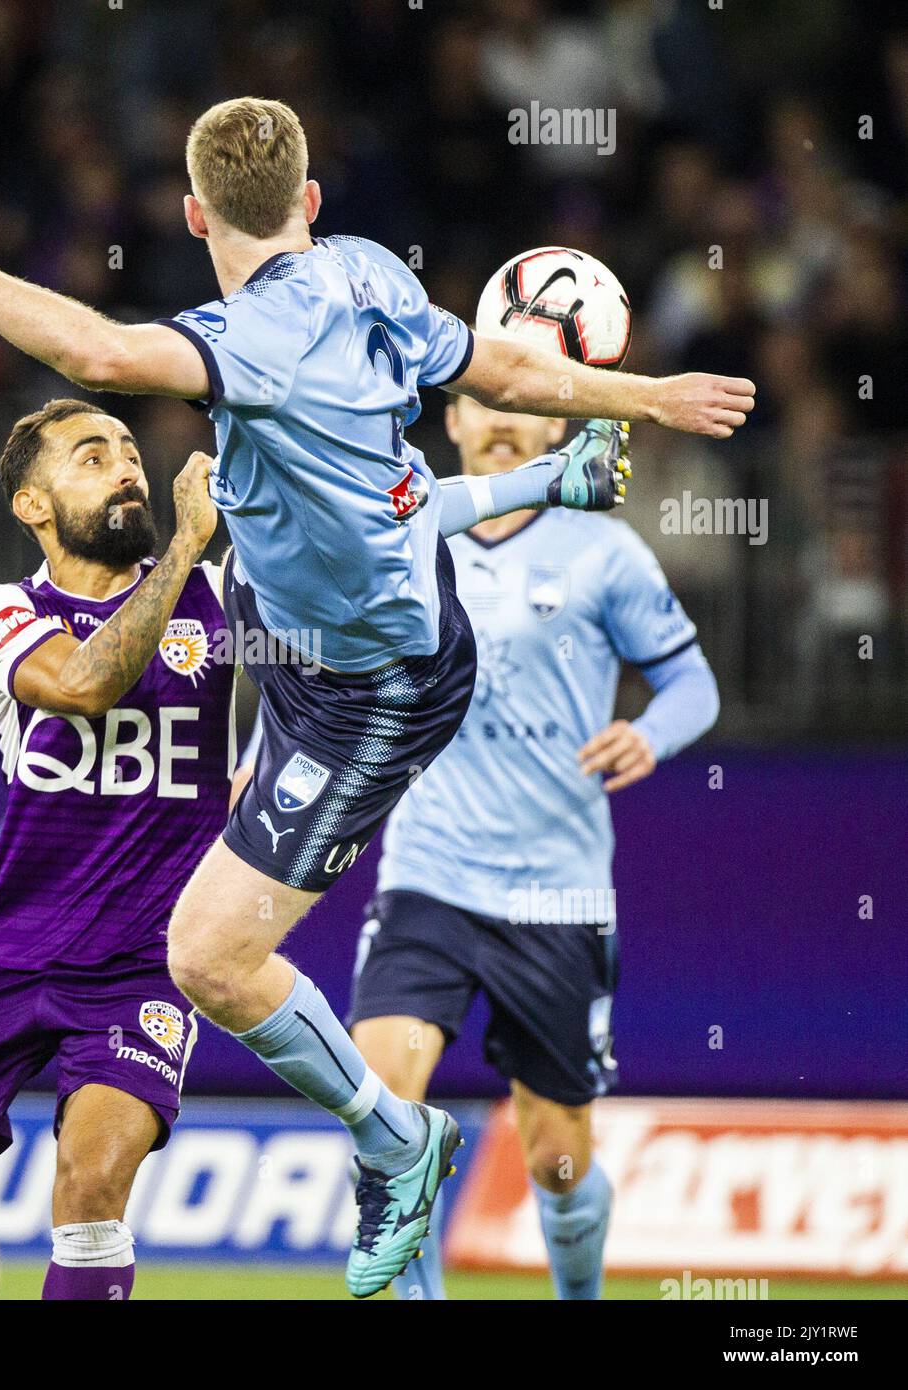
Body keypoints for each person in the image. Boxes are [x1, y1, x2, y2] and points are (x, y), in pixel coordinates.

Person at [0, 95, 754, 1296]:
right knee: (307, 513)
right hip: (304, 661)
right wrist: (636, 404)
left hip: (373, 689)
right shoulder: (367, 283)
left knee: (204, 956)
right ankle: (394, 1144)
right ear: (306, 200)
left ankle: (397, 1144)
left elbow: (94, 351)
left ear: (194, 214)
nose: (120, 459)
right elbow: (488, 374)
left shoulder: (239, 346)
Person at [347, 392, 720, 1299]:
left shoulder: (603, 551)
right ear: (454, 423)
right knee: (379, 1116)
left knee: (556, 1161)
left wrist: (650, 733)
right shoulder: (406, 536)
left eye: (527, 409)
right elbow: (327, 663)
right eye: (485, 402)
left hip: (557, 893)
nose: (505, 420)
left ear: (558, 430)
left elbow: (691, 683)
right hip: (427, 876)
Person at [0, 399, 229, 1300]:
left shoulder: (224, 596)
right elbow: (83, 684)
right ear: (33, 505)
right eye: (91, 457)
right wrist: (183, 547)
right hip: (4, 952)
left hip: (141, 964)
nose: (126, 470)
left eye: (130, 454)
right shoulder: (0, 611)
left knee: (91, 1187)